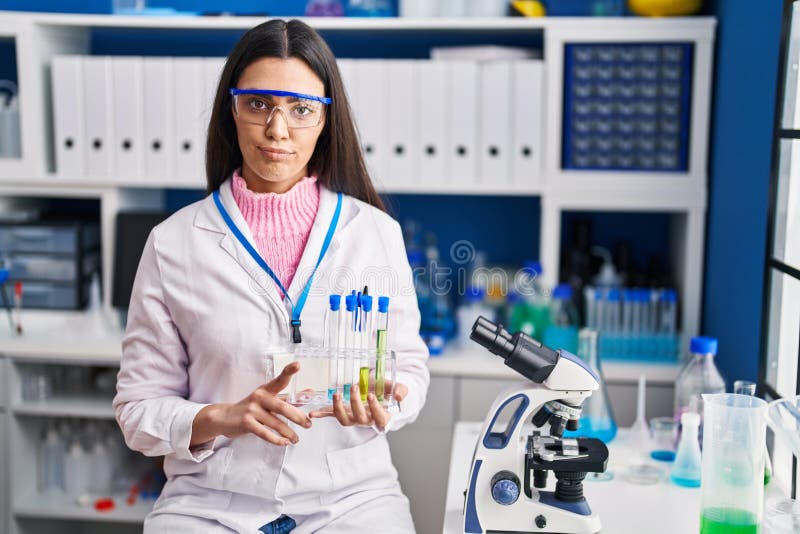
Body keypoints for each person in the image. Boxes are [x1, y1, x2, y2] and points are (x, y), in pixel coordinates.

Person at [113, 19, 430, 534]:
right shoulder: (173, 243)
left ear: (326, 120)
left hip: (352, 500)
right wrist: (220, 417)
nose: (278, 130)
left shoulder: (375, 234)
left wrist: (386, 403)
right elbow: (137, 407)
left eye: (301, 109)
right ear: (232, 110)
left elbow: (411, 370)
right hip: (210, 502)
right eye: (259, 104)